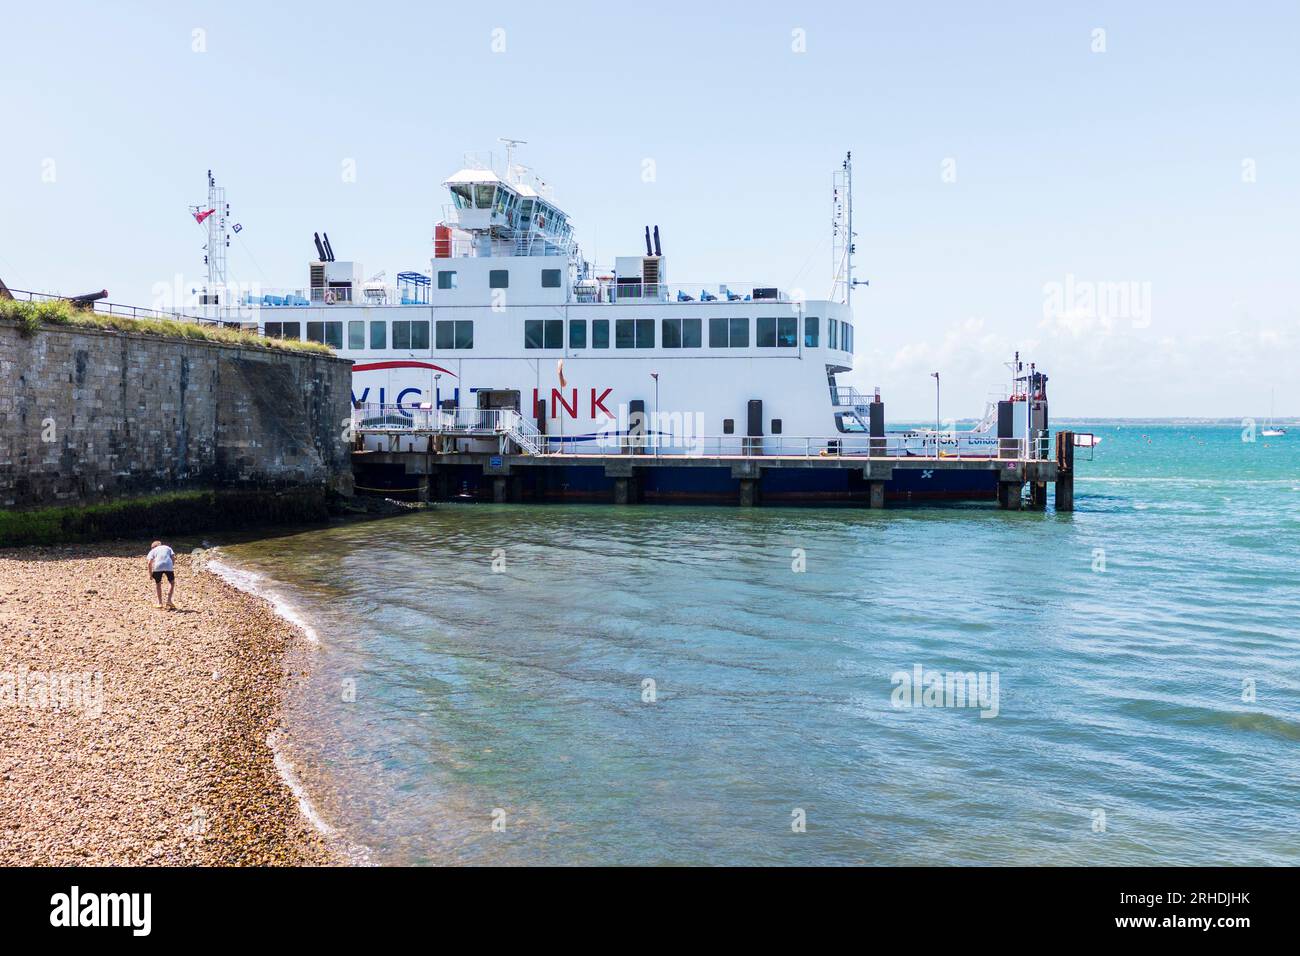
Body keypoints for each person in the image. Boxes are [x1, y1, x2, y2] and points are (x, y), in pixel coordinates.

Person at [146, 540, 176, 609]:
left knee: (158, 584)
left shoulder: (153, 550)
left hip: (157, 566)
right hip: (168, 565)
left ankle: (160, 603)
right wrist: (171, 566)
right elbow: (173, 557)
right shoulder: (168, 547)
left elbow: (149, 563)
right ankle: (169, 600)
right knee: (172, 583)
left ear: (153, 547)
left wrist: (150, 574)